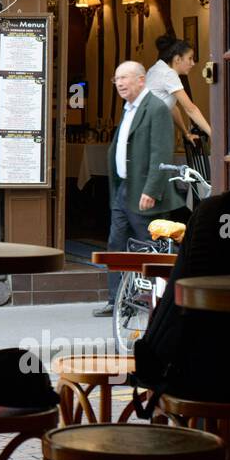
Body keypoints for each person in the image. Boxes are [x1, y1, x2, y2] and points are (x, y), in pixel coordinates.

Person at [94, 61, 185, 318]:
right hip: (123, 189)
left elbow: (161, 152)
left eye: (124, 78)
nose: (120, 83)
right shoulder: (129, 108)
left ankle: (158, 301)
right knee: (117, 243)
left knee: (148, 246)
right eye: (116, 79)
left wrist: (152, 190)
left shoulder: (156, 109)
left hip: (144, 191)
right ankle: (117, 300)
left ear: (141, 80)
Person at [146, 34, 212, 150]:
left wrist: (186, 133)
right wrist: (214, 135)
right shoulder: (168, 74)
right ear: (177, 59)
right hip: (150, 135)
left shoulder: (158, 68)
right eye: (190, 58)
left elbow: (172, 108)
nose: (193, 63)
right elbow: (190, 109)